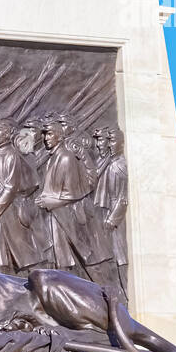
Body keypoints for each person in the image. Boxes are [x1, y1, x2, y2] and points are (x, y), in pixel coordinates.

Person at [37, 115, 119, 290]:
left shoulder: (67, 157)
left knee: (87, 259)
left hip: (71, 216)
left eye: (50, 134)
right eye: (44, 134)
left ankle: (108, 296)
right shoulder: (54, 157)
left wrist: (50, 201)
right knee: (63, 260)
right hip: (58, 216)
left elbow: (74, 191)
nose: (45, 138)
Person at [0, 120, 42, 276]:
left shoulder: (10, 155)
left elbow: (10, 187)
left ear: (9, 134)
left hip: (11, 212)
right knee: (2, 254)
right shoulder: (1, 153)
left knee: (24, 254)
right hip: (4, 212)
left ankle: (42, 284)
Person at [93, 125, 129, 298]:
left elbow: (123, 199)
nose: (108, 145)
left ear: (121, 144)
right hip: (103, 212)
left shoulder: (119, 166)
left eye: (113, 141)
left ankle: (124, 290)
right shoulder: (109, 163)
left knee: (119, 253)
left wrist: (111, 220)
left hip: (112, 216)